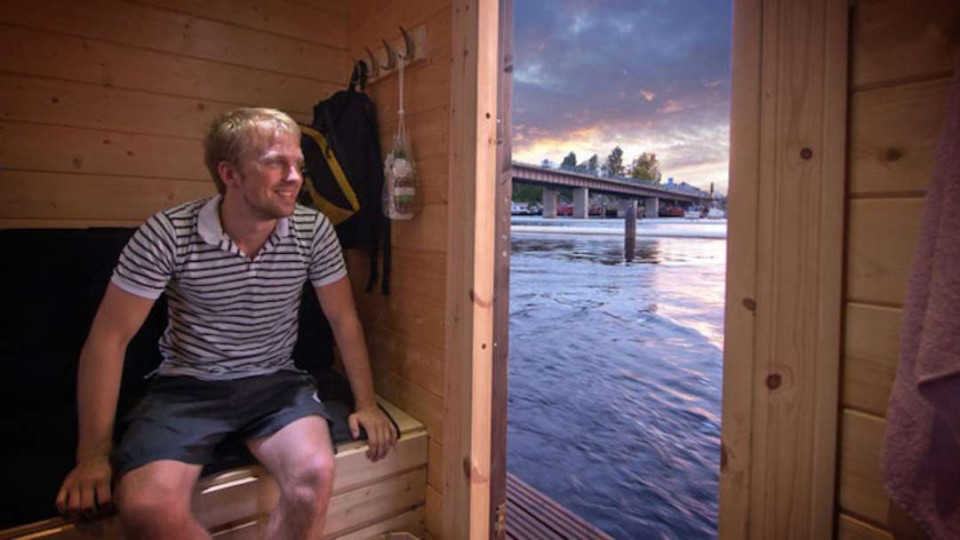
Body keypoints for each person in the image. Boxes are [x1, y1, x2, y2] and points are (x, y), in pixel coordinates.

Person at [54, 108, 396, 539]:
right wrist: (92, 454)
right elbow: (109, 339)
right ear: (230, 173)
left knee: (314, 472)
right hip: (187, 386)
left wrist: (366, 402)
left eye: (298, 165)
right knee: (145, 504)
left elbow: (343, 319)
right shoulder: (167, 233)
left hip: (275, 383)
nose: (295, 177)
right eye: (276, 162)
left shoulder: (314, 231)